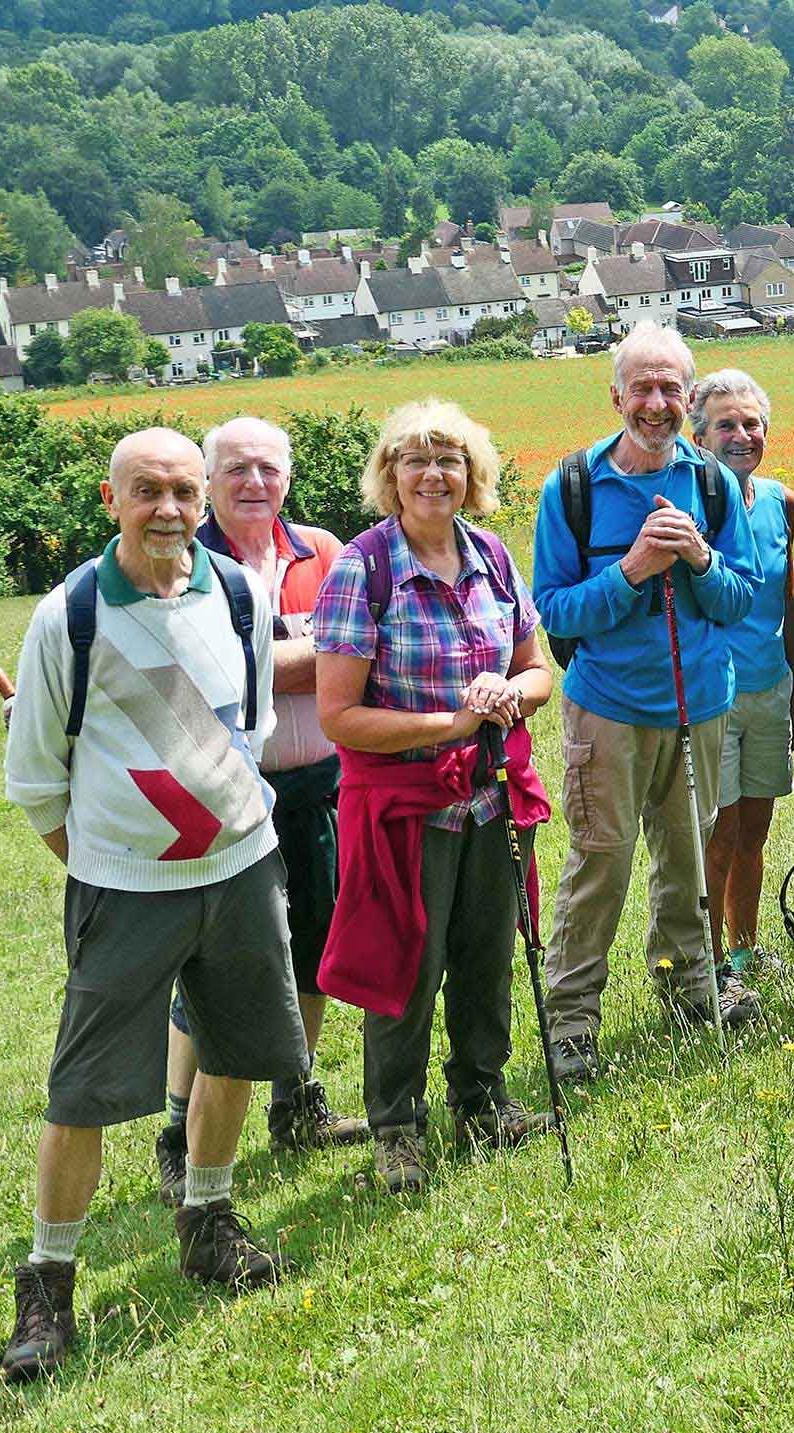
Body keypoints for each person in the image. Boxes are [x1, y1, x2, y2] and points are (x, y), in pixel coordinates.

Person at [0, 428, 297, 1383]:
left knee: (237, 1049)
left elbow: (244, 729)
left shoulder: (242, 594)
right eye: (147, 491)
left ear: (202, 494)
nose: (168, 508)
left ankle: (209, 1220)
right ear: (110, 498)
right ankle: (48, 1286)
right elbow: (37, 783)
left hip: (243, 871)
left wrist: (231, 843)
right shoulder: (69, 616)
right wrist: (106, 867)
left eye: (181, 490)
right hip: (124, 891)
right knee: (82, 1093)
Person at [313, 400, 557, 1192]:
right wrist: (452, 719)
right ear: (390, 477)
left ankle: (483, 1101)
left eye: (449, 460)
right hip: (402, 805)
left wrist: (508, 691)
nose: (433, 475)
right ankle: (397, 1128)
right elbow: (338, 714)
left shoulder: (490, 555)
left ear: (472, 475)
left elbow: (539, 670)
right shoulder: (363, 567)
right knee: (405, 965)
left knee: (489, 955)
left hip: (487, 795)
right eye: (414, 461)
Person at [531, 323, 770, 1082]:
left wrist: (698, 557)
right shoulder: (572, 487)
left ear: (689, 397)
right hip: (608, 708)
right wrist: (632, 570)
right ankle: (571, 1026)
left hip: (699, 703)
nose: (658, 404)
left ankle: (685, 991)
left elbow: (738, 602)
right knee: (601, 862)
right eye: (644, 389)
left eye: (672, 390)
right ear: (616, 397)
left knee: (689, 859)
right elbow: (555, 613)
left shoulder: (711, 483)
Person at [144, 417, 367, 1209]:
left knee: (315, 949)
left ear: (288, 477)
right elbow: (182, 684)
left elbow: (355, 657)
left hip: (319, 786)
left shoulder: (326, 553)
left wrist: (264, 666)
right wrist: (314, 664)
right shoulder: (181, 566)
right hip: (223, 802)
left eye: (267, 468)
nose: (253, 483)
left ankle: (296, 1102)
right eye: (235, 469)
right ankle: (177, 1132)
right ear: (208, 482)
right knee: (212, 973)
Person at [689, 369, 794, 982]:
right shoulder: (690, 506)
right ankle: (706, 964)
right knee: (721, 830)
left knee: (755, 828)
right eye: (725, 425)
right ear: (698, 436)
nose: (740, 435)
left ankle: (743, 950)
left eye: (750, 423)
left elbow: (783, 598)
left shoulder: (781, 502)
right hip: (715, 694)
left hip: (770, 685)